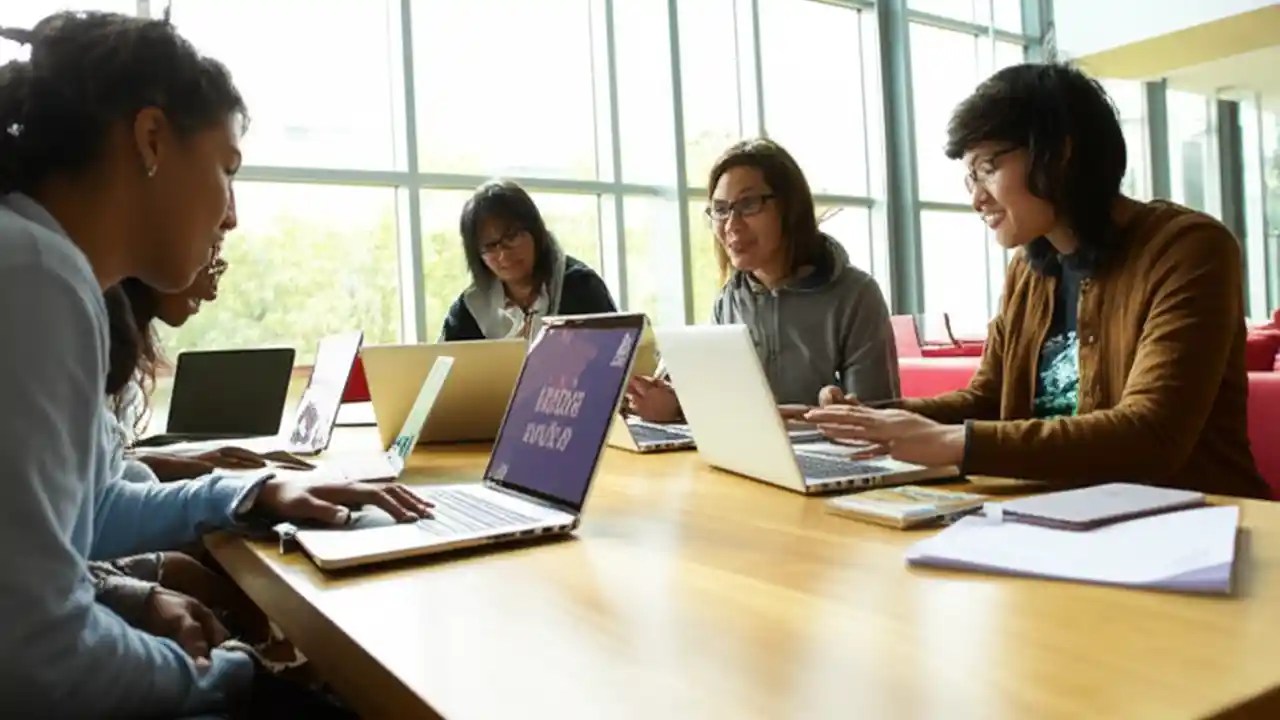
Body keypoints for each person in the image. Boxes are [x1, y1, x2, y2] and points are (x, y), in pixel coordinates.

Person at [0, 12, 433, 717]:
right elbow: (34, 654)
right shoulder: (36, 274)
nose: (230, 215)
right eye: (227, 169)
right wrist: (227, 674)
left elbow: (94, 506)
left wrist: (247, 491)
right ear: (150, 139)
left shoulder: (40, 261)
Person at [806, 63, 1268, 499]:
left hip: (1196, 527)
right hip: (1060, 516)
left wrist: (953, 441)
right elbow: (987, 400)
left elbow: (1151, 434)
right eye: (969, 178)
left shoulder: (1187, 248)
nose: (976, 199)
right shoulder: (1029, 269)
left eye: (987, 169)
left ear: (1059, 153)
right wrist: (868, 419)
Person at [627, 138, 898, 423]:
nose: (731, 225)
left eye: (749, 204)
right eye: (720, 209)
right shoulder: (729, 301)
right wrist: (674, 404)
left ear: (790, 208)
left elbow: (880, 424)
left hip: (836, 463)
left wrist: (811, 418)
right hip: (748, 462)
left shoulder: (856, 296)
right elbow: (726, 413)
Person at [440, 179, 617, 341]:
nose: (503, 255)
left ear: (535, 232)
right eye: (490, 246)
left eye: (512, 237)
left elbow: (617, 354)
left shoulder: (581, 287)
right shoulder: (470, 308)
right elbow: (442, 366)